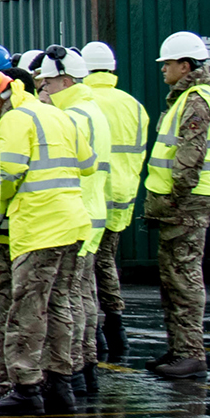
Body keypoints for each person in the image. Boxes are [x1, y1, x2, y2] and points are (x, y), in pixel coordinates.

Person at [0, 68, 93, 414]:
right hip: (73, 224)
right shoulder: (56, 113)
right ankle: (61, 385)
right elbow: (87, 164)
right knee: (59, 304)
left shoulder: (15, 120)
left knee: (28, 308)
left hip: (40, 227)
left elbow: (6, 178)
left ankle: (26, 387)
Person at [144, 31, 210, 378]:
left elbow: (190, 155)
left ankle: (191, 353)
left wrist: (175, 197)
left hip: (186, 202)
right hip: (182, 202)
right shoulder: (188, 97)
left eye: (168, 64)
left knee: (184, 276)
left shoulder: (196, 99)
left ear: (185, 65)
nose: (163, 70)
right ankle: (179, 349)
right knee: (173, 276)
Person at [34, 46, 112, 397]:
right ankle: (85, 371)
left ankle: (75, 371)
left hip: (74, 215)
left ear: (66, 80)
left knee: (66, 298)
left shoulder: (72, 117)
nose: (44, 90)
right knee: (81, 295)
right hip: (92, 213)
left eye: (48, 83)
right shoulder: (90, 109)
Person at [80, 41, 150, 361]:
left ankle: (96, 334)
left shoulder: (84, 101)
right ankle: (116, 329)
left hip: (92, 193)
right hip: (123, 195)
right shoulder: (134, 105)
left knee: (85, 267)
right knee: (106, 261)